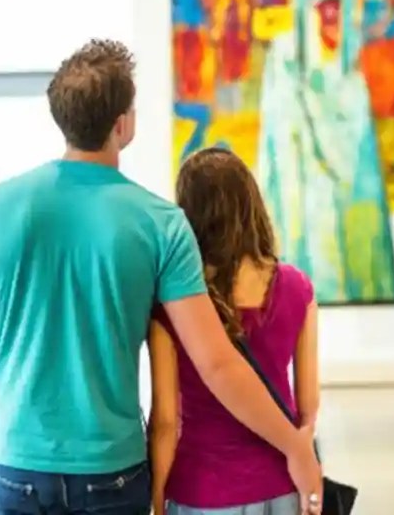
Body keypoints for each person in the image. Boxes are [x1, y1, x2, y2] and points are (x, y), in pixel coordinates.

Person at [0, 40, 322, 515]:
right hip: (111, 471)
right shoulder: (161, 223)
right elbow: (217, 364)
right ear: (123, 124)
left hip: (13, 463)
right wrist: (294, 444)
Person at [149, 148, 320, 515]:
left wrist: (157, 496)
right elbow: (308, 406)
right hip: (282, 486)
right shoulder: (297, 288)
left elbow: (165, 419)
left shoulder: (175, 304)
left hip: (202, 490)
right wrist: (303, 455)